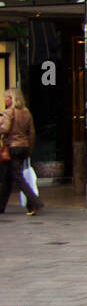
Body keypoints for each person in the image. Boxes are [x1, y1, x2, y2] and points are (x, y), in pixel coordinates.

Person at [0, 88, 45, 216]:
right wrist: (29, 148)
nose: (5, 99)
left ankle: (35, 203)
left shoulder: (8, 112)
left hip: (12, 148)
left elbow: (5, 129)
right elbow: (32, 133)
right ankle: (1, 206)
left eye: (7, 97)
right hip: (23, 147)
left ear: (12, 99)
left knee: (17, 177)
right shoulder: (27, 113)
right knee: (8, 178)